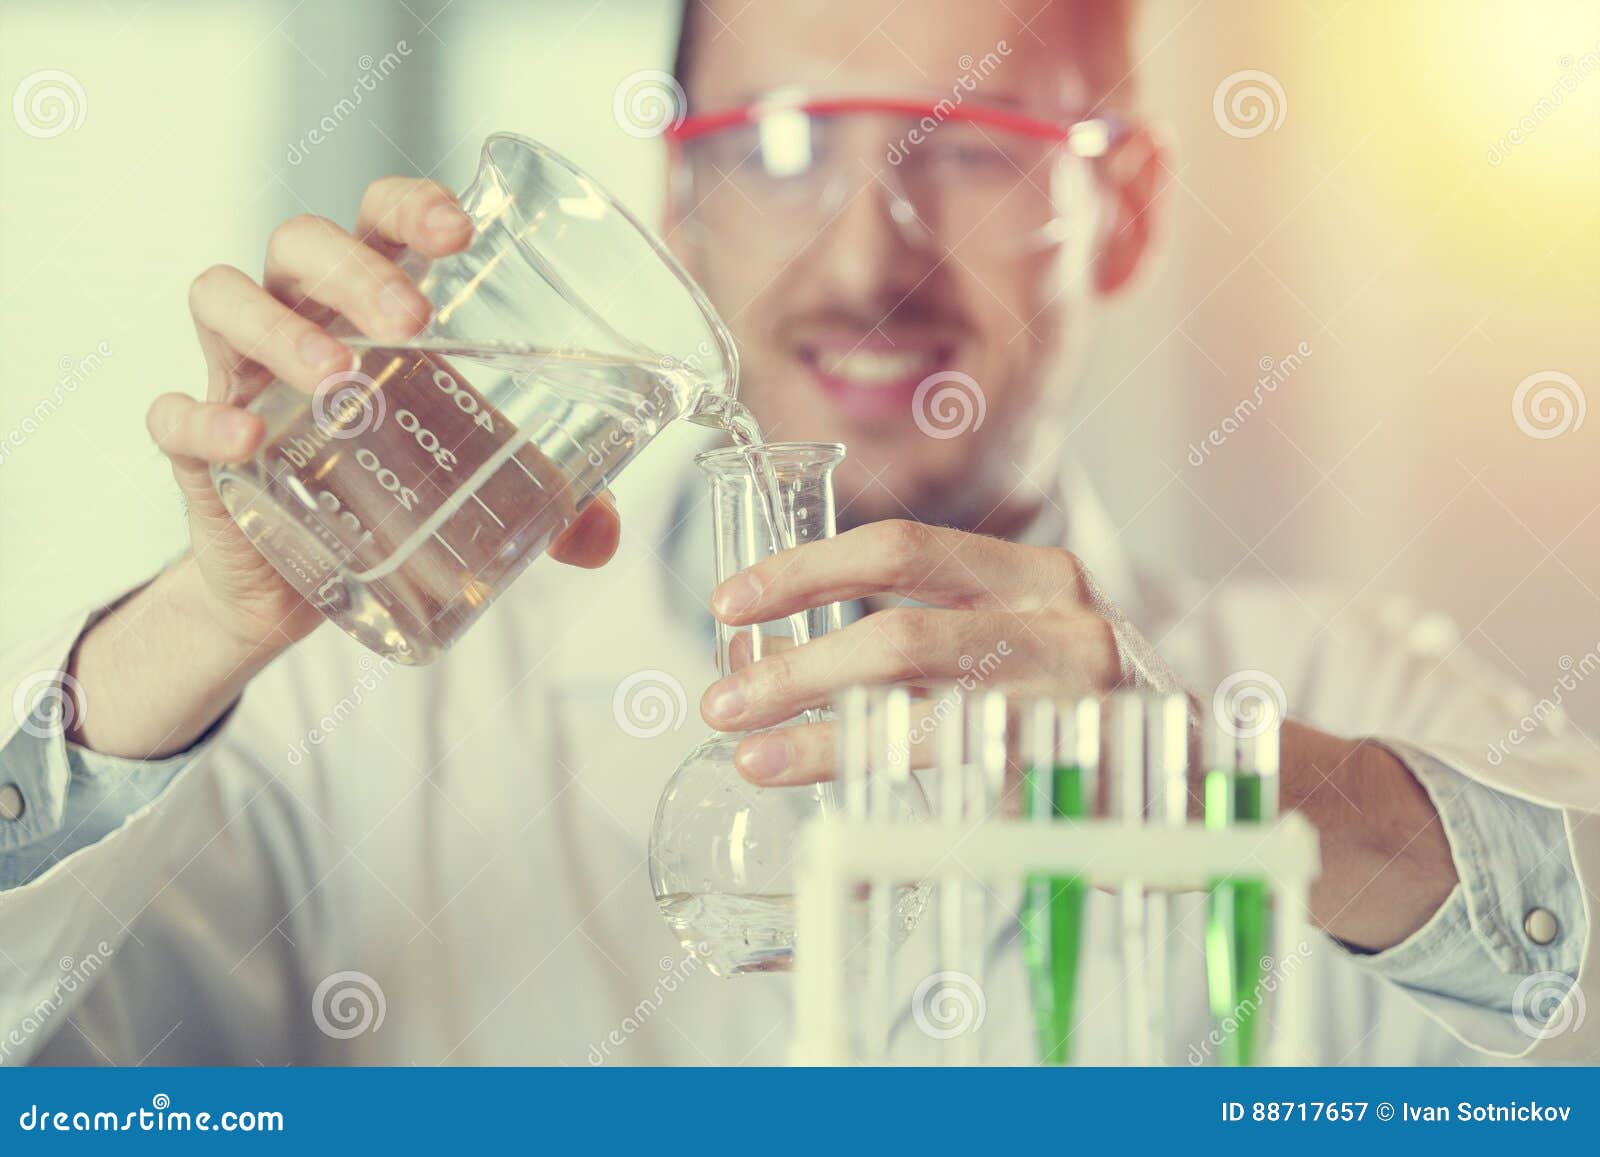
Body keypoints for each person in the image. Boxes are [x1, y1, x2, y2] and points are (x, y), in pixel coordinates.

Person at [0, 0, 1592, 1065]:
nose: (863, 256)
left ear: (1131, 208)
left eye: (973, 150)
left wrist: (1244, 788)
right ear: (673, 207)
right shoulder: (363, 721)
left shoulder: (1330, 683)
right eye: (776, 146)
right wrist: (193, 635)